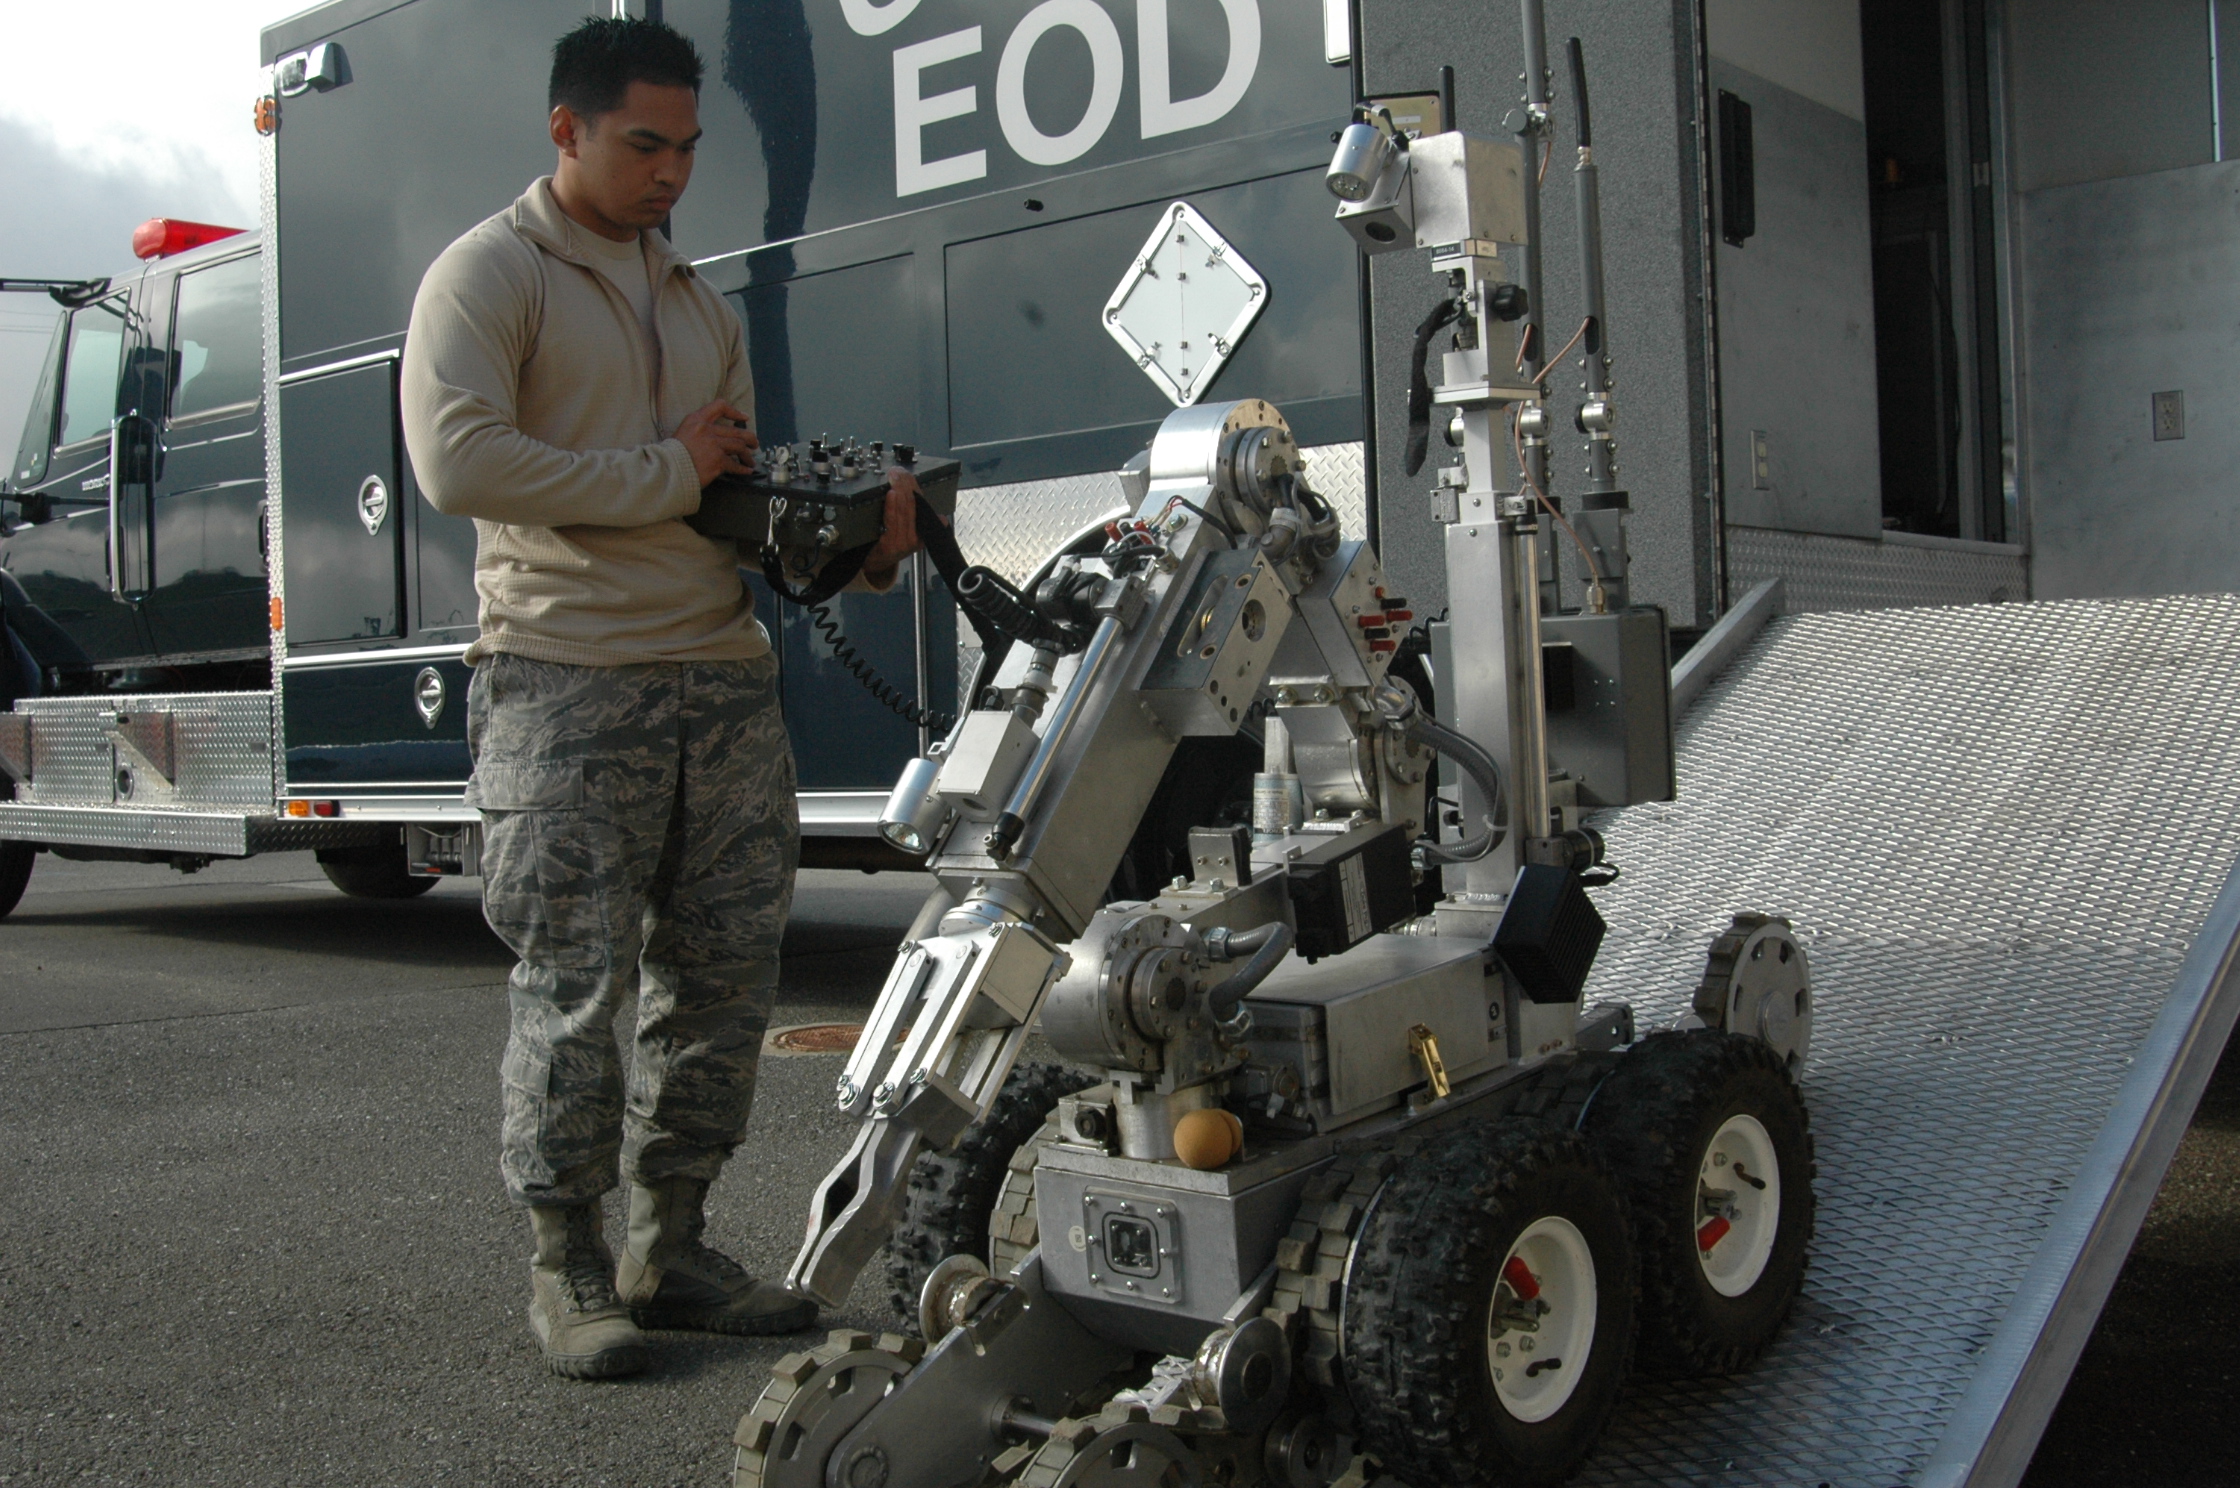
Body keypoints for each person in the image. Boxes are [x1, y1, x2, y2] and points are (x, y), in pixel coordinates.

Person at [400, 15, 920, 1381]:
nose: (674, 173)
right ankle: (569, 1263)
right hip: (566, 679)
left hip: (722, 680)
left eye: (689, 148)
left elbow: (724, 505)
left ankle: (670, 1245)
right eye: (645, 145)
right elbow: (459, 464)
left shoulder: (698, 303)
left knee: (725, 978)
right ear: (565, 131)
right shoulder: (488, 275)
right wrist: (670, 469)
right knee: (578, 984)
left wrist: (859, 542)